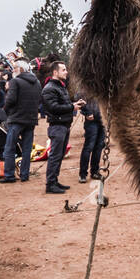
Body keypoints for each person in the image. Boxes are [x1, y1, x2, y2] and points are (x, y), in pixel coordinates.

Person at [41, 61, 83, 193]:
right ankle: (50, 185)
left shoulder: (60, 87)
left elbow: (62, 104)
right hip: (57, 126)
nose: (66, 72)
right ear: (55, 72)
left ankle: (54, 181)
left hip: (64, 125)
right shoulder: (49, 88)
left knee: (59, 156)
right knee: (55, 156)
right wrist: (72, 107)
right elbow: (53, 108)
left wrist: (75, 103)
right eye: (63, 70)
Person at [0, 61, 42, 183]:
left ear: (21, 69)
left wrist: (5, 110)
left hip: (16, 119)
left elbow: (11, 100)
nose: (12, 70)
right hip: (31, 119)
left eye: (15, 68)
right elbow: (39, 100)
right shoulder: (37, 82)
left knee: (9, 148)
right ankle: (24, 174)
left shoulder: (15, 82)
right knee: (27, 149)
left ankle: (9, 175)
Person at [79, 96, 104, 183]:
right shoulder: (87, 85)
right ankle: (83, 174)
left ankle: (94, 171)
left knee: (99, 147)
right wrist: (87, 112)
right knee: (89, 147)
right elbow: (80, 97)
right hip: (91, 121)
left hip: (102, 119)